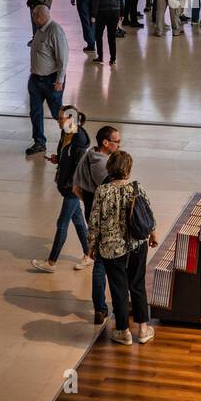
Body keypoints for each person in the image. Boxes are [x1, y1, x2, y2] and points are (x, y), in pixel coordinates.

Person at [87, 150, 158, 344]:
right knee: (137, 284)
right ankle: (143, 329)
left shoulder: (102, 191)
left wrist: (91, 245)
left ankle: (123, 331)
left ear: (110, 168)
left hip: (111, 248)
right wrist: (152, 234)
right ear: (128, 169)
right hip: (136, 244)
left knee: (118, 288)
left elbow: (94, 222)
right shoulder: (136, 188)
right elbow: (148, 214)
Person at [30, 106, 92, 273]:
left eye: (60, 118)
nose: (57, 121)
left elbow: (79, 169)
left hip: (73, 188)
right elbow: (68, 158)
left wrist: (72, 186)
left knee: (62, 223)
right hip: (66, 186)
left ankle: (51, 262)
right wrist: (59, 159)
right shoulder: (66, 134)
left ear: (70, 119)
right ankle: (89, 254)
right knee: (78, 221)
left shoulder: (79, 141)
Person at [73, 125, 121, 324]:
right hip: (107, 218)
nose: (119, 144)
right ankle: (117, 305)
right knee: (113, 263)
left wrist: (88, 204)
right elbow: (116, 194)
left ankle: (99, 309)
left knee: (99, 262)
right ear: (105, 143)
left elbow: (76, 187)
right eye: (116, 141)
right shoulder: (104, 166)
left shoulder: (88, 154)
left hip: (92, 214)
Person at [25, 5, 68, 156]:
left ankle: (73, 136)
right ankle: (39, 142)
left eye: (34, 17)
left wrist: (59, 81)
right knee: (35, 112)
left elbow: (63, 59)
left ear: (40, 16)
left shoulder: (55, 31)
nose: (33, 19)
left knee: (58, 112)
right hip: (36, 80)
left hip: (51, 80)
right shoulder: (39, 30)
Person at [93, 0, 123, 65]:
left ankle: (100, 56)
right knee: (112, 36)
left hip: (102, 12)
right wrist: (121, 13)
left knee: (98, 35)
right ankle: (113, 58)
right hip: (115, 11)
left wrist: (93, 14)